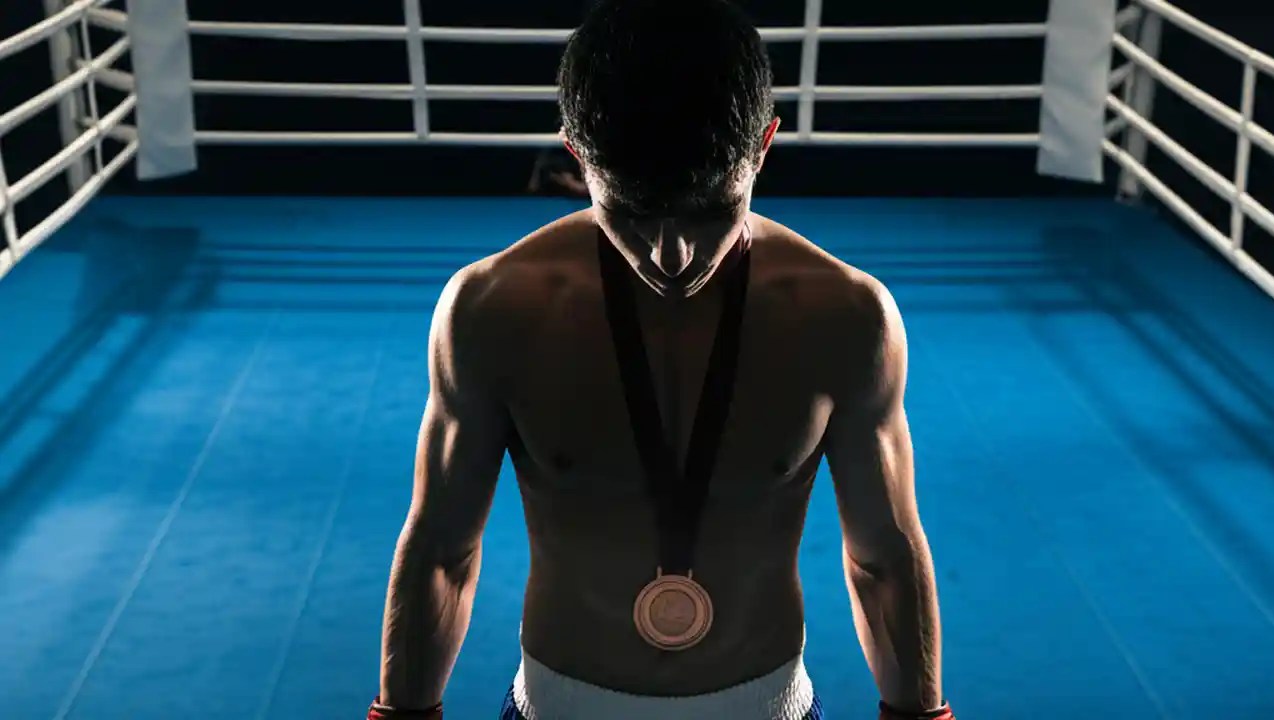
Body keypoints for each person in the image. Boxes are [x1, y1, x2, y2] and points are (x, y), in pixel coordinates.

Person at [368, 1, 954, 718]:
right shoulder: (493, 311)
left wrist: (923, 714)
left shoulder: (845, 317)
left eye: (711, 210)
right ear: (577, 158)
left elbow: (884, 561)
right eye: (634, 212)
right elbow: (440, 552)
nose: (671, 255)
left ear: (764, 145)